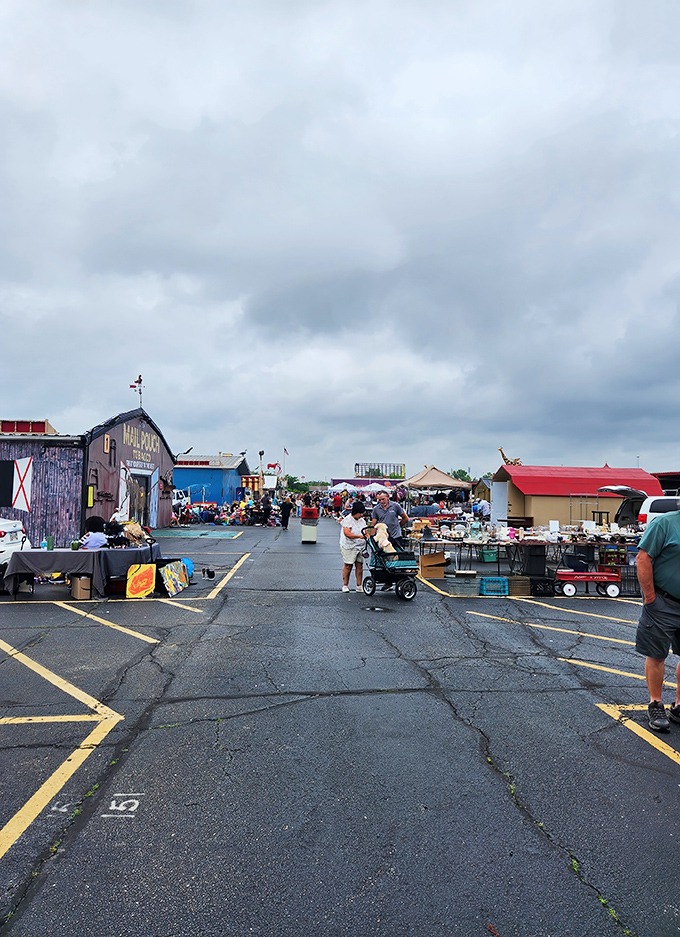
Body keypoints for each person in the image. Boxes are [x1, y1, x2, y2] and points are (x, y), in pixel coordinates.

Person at [635, 501, 680, 731]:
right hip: (664, 601)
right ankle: (655, 702)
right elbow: (643, 559)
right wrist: (650, 597)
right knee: (657, 654)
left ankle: (679, 706)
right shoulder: (665, 523)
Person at [340, 502, 367, 593]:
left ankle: (359, 586)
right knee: (348, 565)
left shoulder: (362, 521)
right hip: (349, 546)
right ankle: (345, 585)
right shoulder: (348, 520)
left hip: (360, 546)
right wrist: (359, 536)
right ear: (356, 512)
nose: (361, 515)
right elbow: (347, 533)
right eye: (360, 513)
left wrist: (367, 536)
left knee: (359, 565)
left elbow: (365, 531)